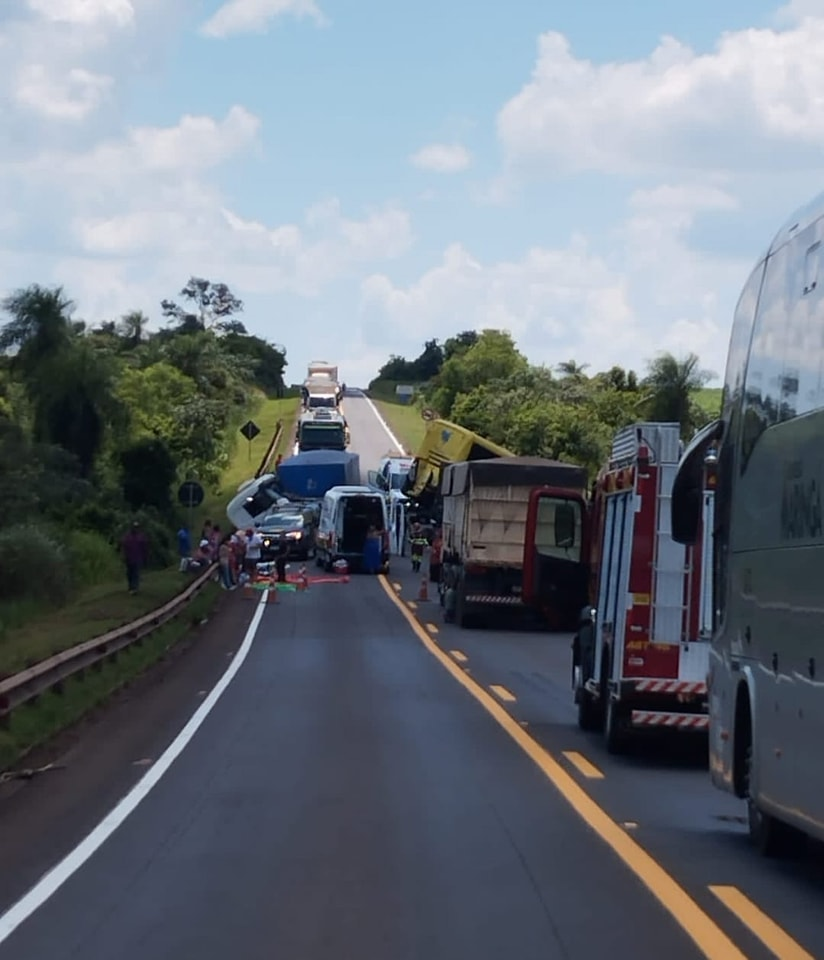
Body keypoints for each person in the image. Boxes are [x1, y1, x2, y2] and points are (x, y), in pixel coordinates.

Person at [121, 521, 149, 594]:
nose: (135, 529)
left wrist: (145, 557)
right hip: (129, 558)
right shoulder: (127, 537)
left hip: (137, 558)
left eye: (137, 527)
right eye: (134, 527)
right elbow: (124, 547)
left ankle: (135, 588)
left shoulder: (141, 537)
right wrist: (124, 556)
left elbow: (144, 548)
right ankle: (131, 587)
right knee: (129, 573)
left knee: (136, 573)